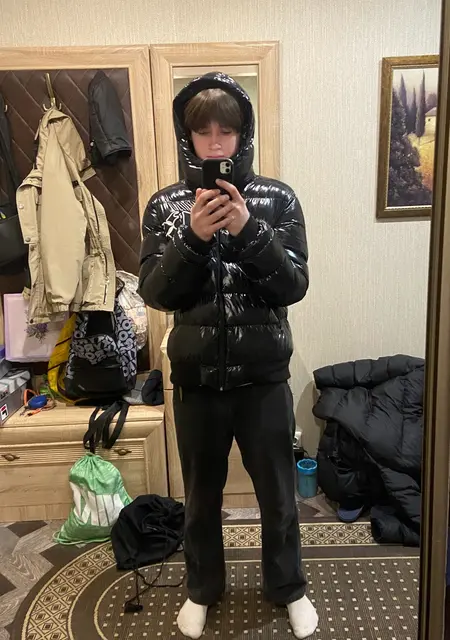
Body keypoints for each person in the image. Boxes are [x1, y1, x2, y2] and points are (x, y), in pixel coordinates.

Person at [138, 72, 318, 639]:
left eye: (227, 131)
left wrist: (249, 231)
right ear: (186, 136)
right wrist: (191, 239)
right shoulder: (165, 206)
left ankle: (288, 588)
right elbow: (156, 294)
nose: (215, 143)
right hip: (196, 383)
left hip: (264, 379)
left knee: (279, 497)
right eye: (203, 132)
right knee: (199, 500)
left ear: (244, 135)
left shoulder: (278, 199)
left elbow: (293, 286)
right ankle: (202, 590)